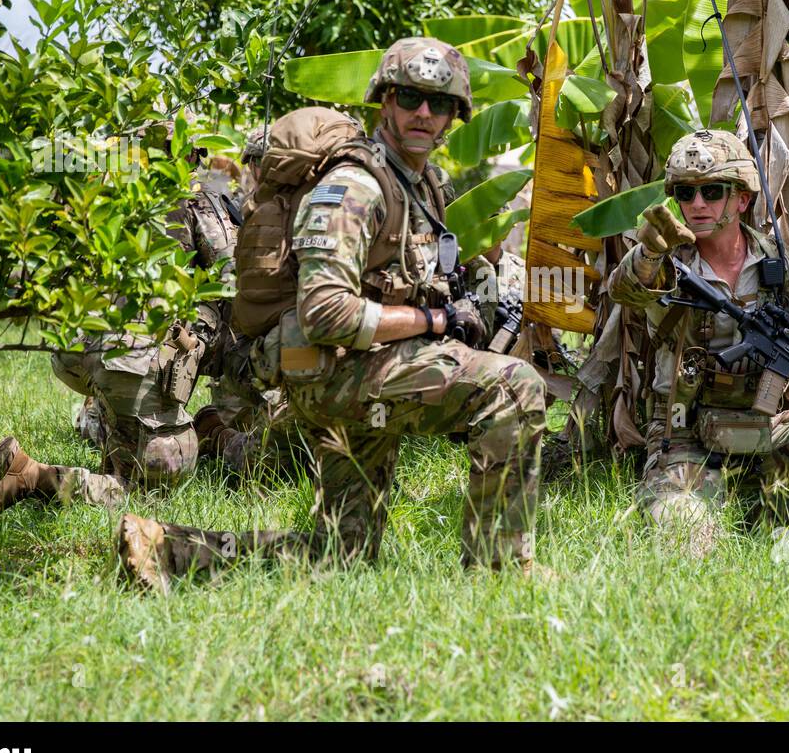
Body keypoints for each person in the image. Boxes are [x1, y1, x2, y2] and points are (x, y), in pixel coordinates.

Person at [117, 38, 548, 591]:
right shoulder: (354, 188)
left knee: (340, 556)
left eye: (439, 103)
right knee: (512, 389)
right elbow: (325, 311)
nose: (424, 112)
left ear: (453, 117)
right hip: (332, 371)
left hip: (357, 368)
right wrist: (436, 324)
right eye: (411, 96)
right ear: (384, 101)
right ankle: (500, 574)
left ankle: (167, 548)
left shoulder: (419, 186)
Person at [606, 129, 789, 552]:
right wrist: (648, 252)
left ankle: (770, 521)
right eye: (686, 193)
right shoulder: (668, 262)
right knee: (685, 542)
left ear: (742, 198)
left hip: (768, 431)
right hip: (686, 442)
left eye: (713, 191)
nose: (698, 204)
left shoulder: (775, 262)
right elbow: (626, 290)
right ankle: (707, 513)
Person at [0, 137, 239, 524]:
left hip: (78, 347)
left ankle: (121, 432)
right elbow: (232, 278)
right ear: (188, 154)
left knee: (132, 411)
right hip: (135, 354)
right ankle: (27, 476)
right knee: (151, 488)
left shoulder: (104, 186)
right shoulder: (193, 194)